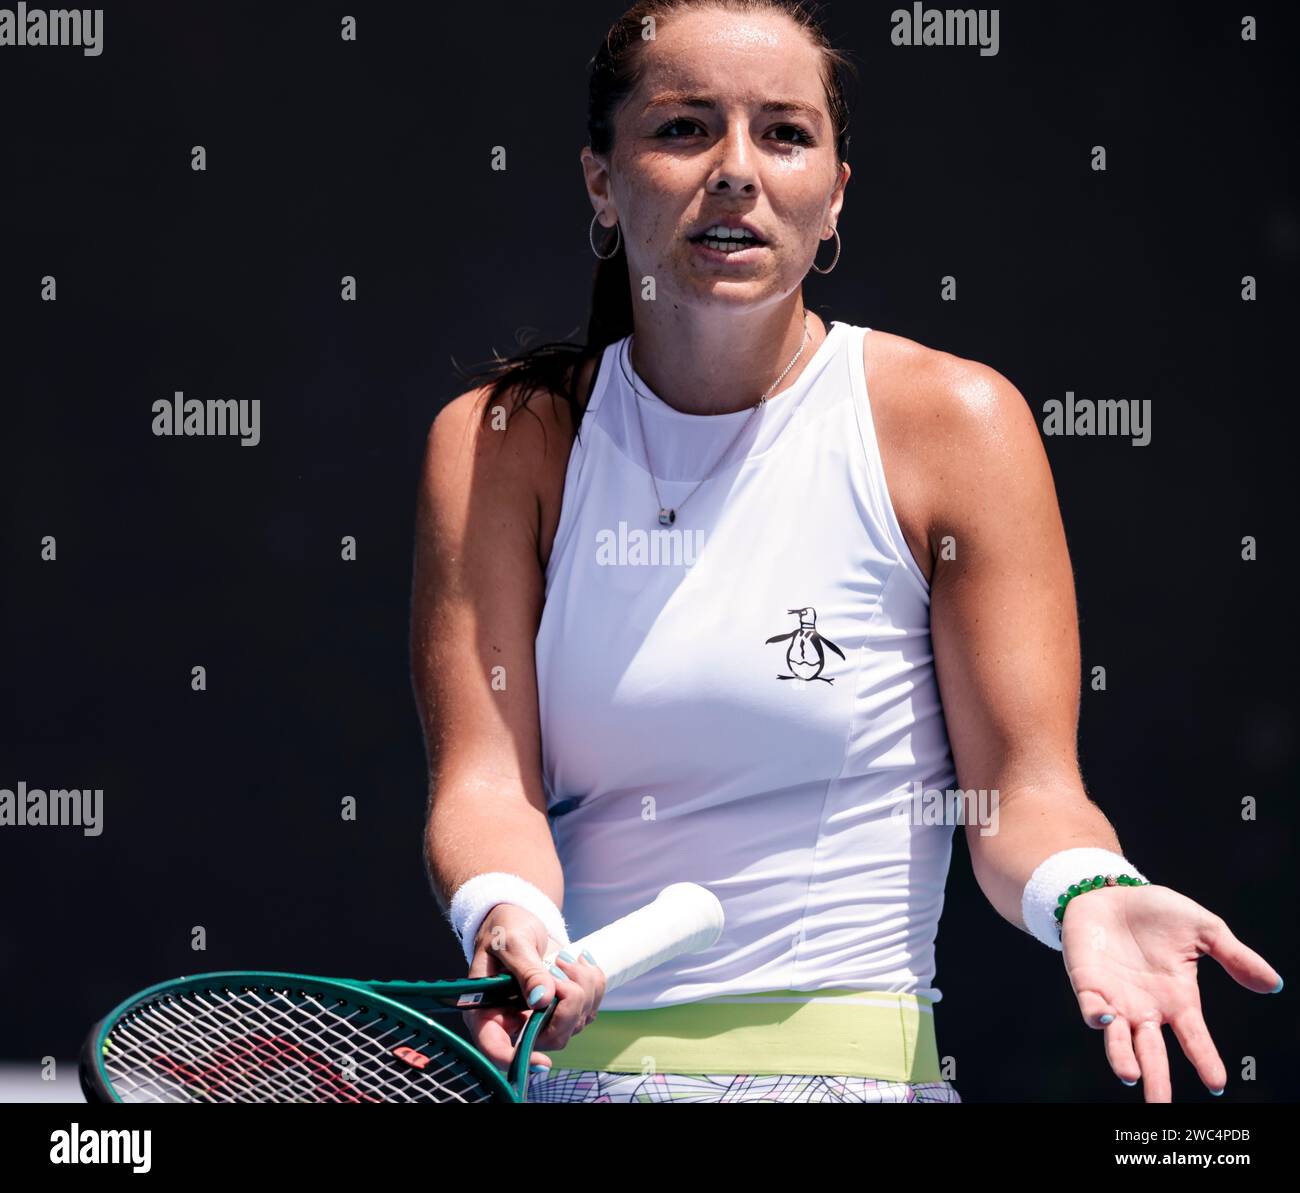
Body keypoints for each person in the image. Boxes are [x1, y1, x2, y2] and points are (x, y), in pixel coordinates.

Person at [409, 0, 1282, 1104]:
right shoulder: (498, 440)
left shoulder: (958, 422)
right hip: (565, 1082)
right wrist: (506, 913)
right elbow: (485, 780)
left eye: (784, 134)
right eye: (683, 128)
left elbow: (1024, 794)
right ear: (601, 179)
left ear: (833, 198)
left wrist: (1088, 889)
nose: (736, 170)